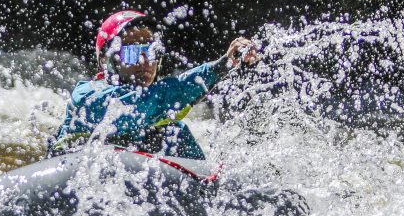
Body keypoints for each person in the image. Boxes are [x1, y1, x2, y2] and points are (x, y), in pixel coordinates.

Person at [49, 10, 257, 159]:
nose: (145, 61)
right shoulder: (87, 97)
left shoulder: (170, 130)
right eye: (131, 53)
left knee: (172, 132)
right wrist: (219, 67)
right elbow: (148, 102)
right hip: (72, 178)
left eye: (151, 52)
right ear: (106, 60)